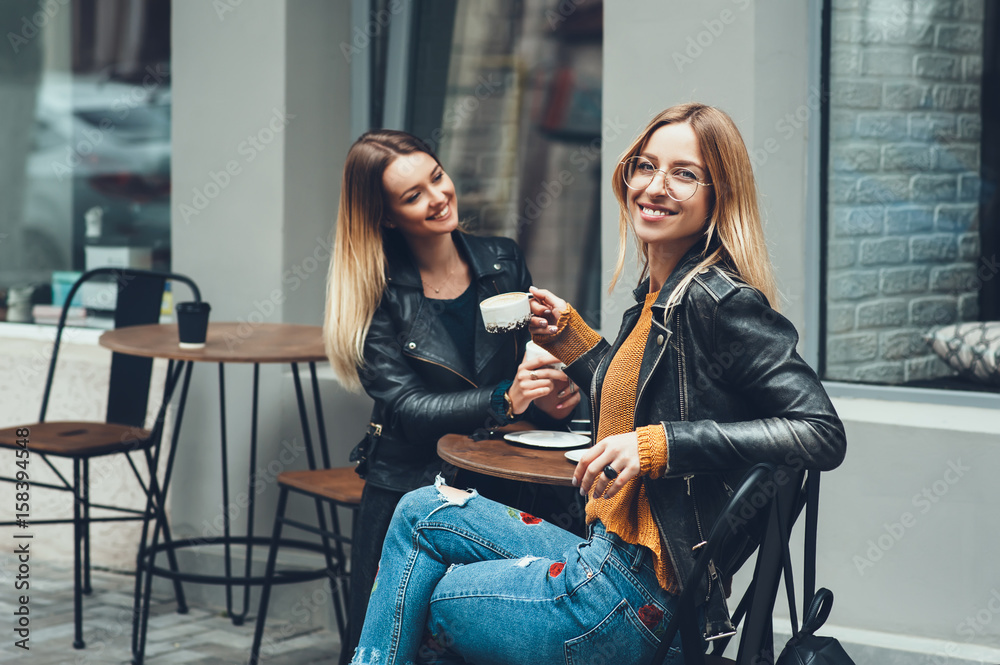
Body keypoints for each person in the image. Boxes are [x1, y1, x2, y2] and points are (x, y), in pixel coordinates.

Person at [346, 104, 847, 665]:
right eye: (646, 166)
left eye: (684, 173)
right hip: (607, 559)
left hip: (630, 598)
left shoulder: (718, 300)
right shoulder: (659, 297)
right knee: (419, 511)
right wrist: (573, 338)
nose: (655, 187)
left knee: (424, 595)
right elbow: (648, 393)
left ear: (718, 195)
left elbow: (821, 432)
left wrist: (657, 445)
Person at [323, 129, 582, 663]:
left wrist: (553, 392)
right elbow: (411, 411)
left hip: (510, 484)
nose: (438, 197)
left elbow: (525, 371)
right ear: (386, 216)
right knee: (401, 644)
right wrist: (504, 399)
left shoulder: (501, 261)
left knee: (496, 640)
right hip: (412, 490)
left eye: (437, 177)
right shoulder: (376, 292)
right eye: (413, 195)